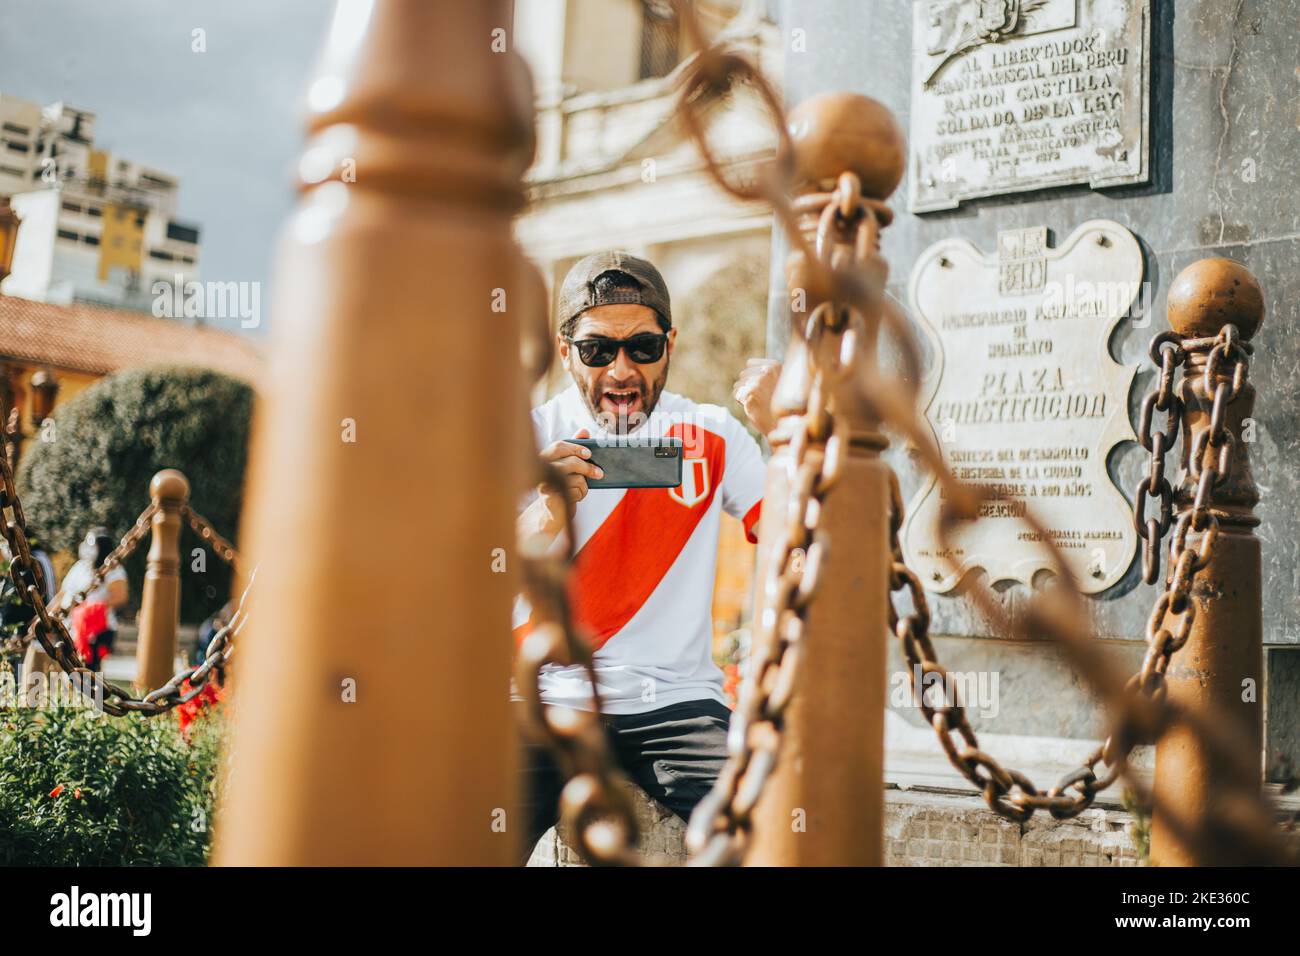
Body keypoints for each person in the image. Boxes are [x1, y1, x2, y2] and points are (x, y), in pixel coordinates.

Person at [512, 251, 781, 862]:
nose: (622, 371)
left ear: (671, 344)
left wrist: (787, 432)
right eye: (598, 351)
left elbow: (799, 545)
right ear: (564, 351)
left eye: (643, 346)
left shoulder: (714, 434)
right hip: (544, 700)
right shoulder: (524, 439)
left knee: (771, 837)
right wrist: (537, 517)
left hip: (678, 703)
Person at [54, 528, 128, 673]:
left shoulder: (113, 570)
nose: (86, 547)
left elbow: (120, 596)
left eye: (91, 543)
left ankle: (92, 694)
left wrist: (90, 610)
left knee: (90, 670)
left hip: (95, 629)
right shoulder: (80, 566)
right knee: (67, 669)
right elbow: (63, 593)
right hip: (71, 627)